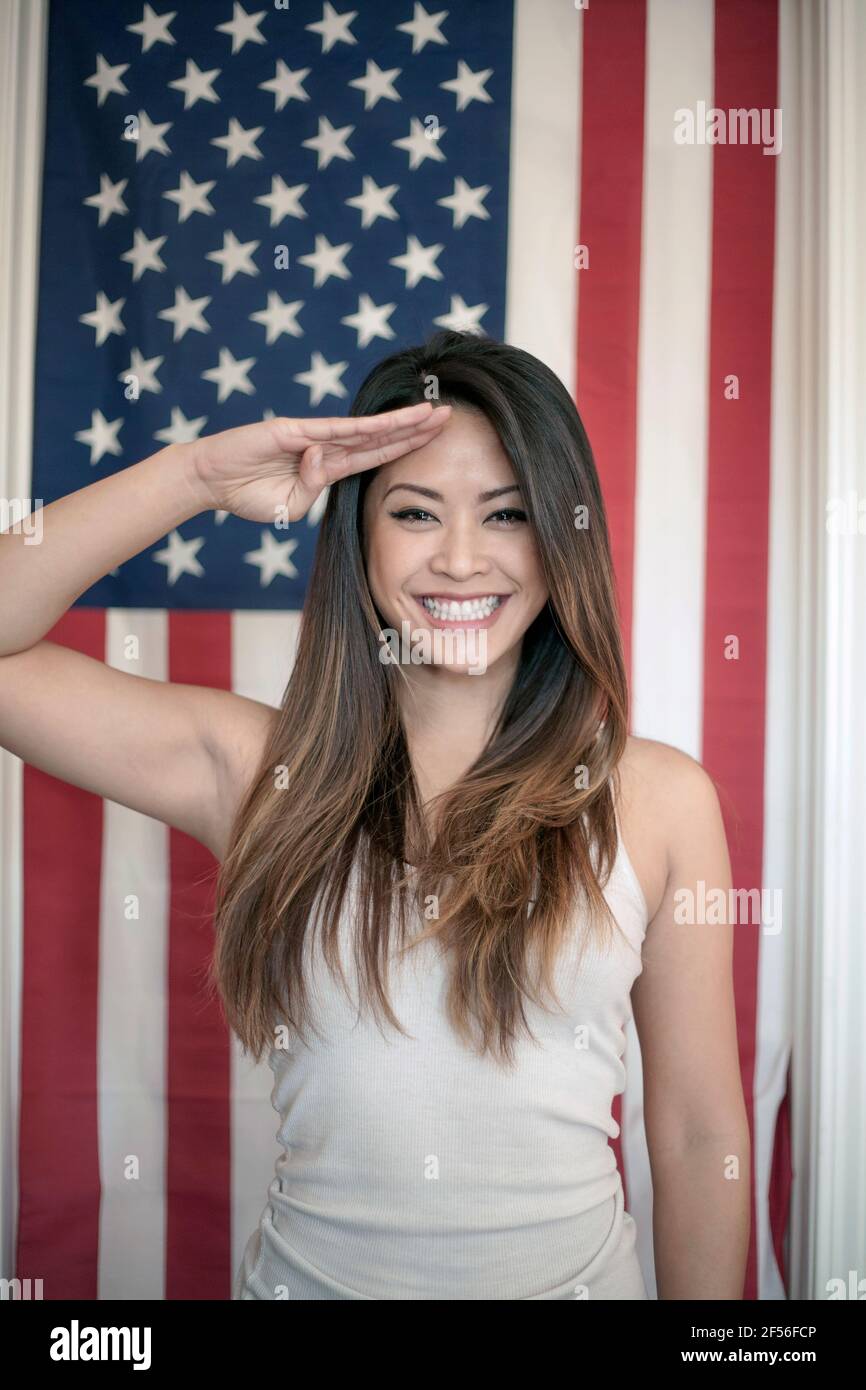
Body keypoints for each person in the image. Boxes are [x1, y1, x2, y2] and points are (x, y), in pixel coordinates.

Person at [0, 329, 750, 1300]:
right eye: (415, 511)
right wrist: (192, 476)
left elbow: (697, 1132)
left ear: (560, 533)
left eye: (507, 512)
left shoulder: (659, 800)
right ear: (357, 531)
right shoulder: (258, 773)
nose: (461, 558)